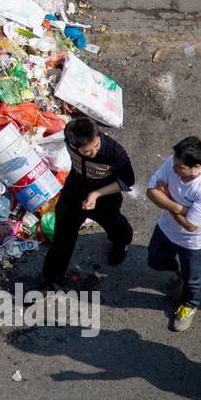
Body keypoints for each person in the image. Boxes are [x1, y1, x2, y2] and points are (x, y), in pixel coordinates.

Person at [41, 116, 134, 289]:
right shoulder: (70, 141)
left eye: (96, 147)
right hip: (74, 190)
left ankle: (122, 242)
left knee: (112, 223)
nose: (93, 153)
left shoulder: (115, 153)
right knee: (62, 237)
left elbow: (127, 181)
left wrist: (96, 194)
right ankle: (52, 279)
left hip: (105, 195)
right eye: (87, 152)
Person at [145, 136, 201, 332]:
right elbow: (151, 192)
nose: (174, 169)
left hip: (191, 242)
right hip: (165, 229)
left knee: (193, 279)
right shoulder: (173, 163)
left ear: (198, 166)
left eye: (180, 167)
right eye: (175, 162)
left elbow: (190, 226)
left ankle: (190, 305)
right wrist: (180, 208)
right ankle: (178, 273)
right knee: (154, 260)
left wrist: (167, 199)